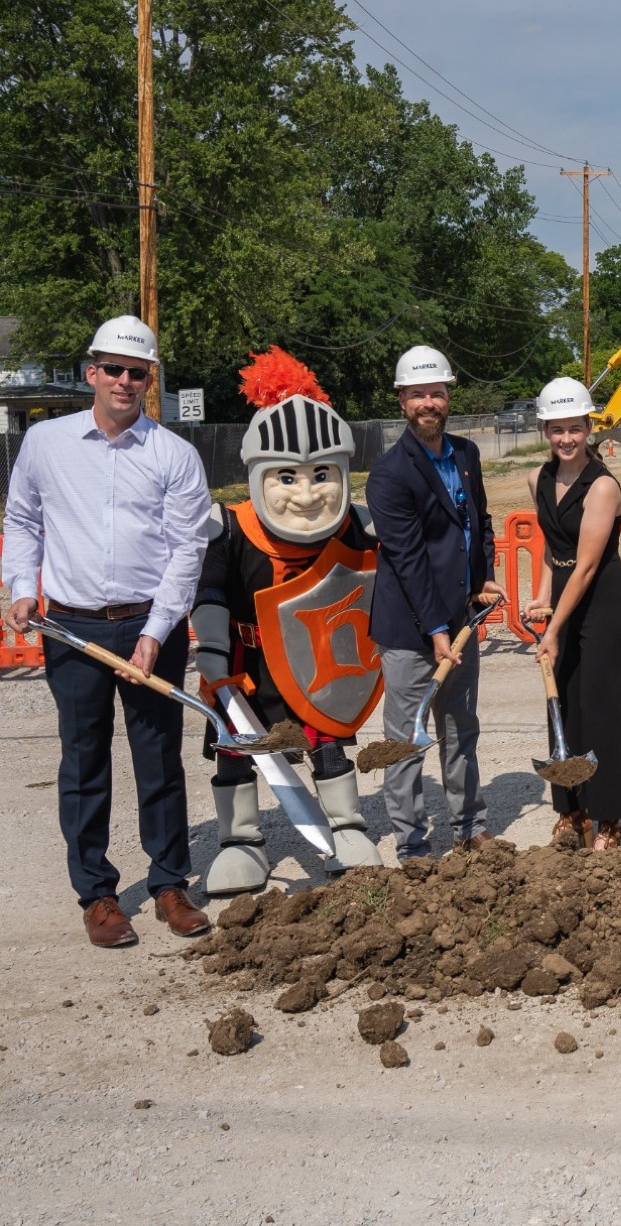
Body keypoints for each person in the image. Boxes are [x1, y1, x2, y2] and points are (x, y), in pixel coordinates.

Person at [2, 315, 212, 946]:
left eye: (137, 372)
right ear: (91, 372)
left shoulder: (174, 454)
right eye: (114, 369)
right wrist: (20, 590)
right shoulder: (45, 444)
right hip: (70, 629)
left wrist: (153, 633)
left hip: (152, 625)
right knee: (84, 760)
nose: (124, 381)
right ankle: (96, 894)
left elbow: (186, 551)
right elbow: (22, 521)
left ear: (149, 380)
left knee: (159, 759)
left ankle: (170, 884)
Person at [192, 348, 383, 893]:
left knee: (327, 736)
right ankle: (241, 841)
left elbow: (386, 581)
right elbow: (208, 591)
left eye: (321, 475)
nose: (305, 494)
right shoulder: (228, 526)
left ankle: (347, 827)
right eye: (287, 477)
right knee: (237, 746)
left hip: (317, 657)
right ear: (258, 473)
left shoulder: (355, 523)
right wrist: (208, 645)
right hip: (242, 659)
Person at [364, 345, 503, 858]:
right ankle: (412, 843)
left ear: (448, 398)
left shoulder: (465, 455)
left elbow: (479, 523)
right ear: (402, 401)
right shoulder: (389, 474)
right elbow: (409, 559)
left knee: (460, 729)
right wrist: (436, 630)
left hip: (459, 619)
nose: (429, 402)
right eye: (418, 394)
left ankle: (470, 827)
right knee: (408, 739)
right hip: (411, 629)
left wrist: (482, 577)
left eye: (437, 393)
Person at [523, 377, 621, 851]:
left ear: (589, 427)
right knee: (564, 707)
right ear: (545, 430)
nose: (566, 438)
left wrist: (554, 626)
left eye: (575, 428)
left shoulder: (603, 486)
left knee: (604, 710)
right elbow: (555, 547)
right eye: (557, 429)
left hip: (603, 601)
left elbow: (587, 565)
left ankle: (608, 819)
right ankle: (571, 814)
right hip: (564, 603)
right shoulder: (537, 479)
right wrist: (541, 596)